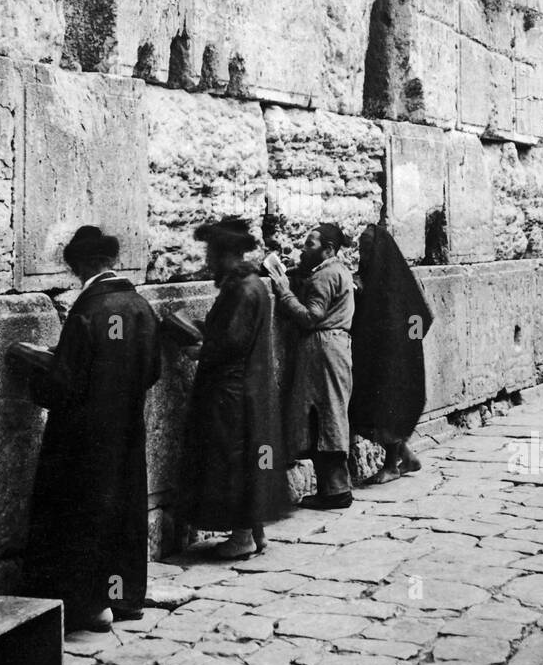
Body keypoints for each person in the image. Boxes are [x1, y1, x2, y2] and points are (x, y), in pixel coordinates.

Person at [12, 227, 160, 634]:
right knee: (121, 511)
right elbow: (151, 370)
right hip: (126, 429)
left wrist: (37, 367)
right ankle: (123, 597)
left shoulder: (87, 312)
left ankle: (90, 605)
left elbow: (66, 384)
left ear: (80, 264)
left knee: (82, 515)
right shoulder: (140, 306)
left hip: (83, 436)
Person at [180, 217, 287, 560]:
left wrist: (199, 348)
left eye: (211, 253)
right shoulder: (252, 285)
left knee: (232, 460)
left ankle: (241, 535)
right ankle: (255, 531)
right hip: (244, 388)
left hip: (231, 392)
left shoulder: (240, 289)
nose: (208, 261)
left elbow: (231, 342)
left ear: (226, 254)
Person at [265, 224, 356, 510]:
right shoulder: (337, 270)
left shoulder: (325, 277)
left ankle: (335, 491)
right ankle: (336, 487)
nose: (303, 249)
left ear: (327, 249)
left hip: (323, 351)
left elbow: (310, 316)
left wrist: (284, 292)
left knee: (323, 418)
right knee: (330, 415)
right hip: (335, 348)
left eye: (309, 245)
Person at [350, 224, 434, 483]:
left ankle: (391, 466)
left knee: (388, 408)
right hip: (382, 356)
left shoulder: (394, 281)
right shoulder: (372, 276)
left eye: (366, 248)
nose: (362, 254)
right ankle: (406, 456)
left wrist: (404, 346)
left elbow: (420, 316)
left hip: (395, 359)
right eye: (360, 248)